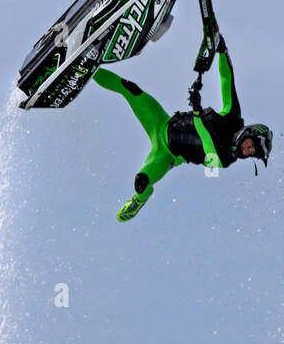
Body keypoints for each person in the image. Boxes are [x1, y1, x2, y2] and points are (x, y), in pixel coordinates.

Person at [93, 41, 273, 221]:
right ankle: (88, 66)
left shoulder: (225, 159)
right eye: (252, 146)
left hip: (166, 154)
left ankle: (139, 200)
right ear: (250, 133)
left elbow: (206, 140)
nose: (248, 151)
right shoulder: (233, 117)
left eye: (252, 154)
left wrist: (197, 111)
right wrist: (222, 50)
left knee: (142, 182)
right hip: (161, 123)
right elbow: (227, 80)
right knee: (129, 88)